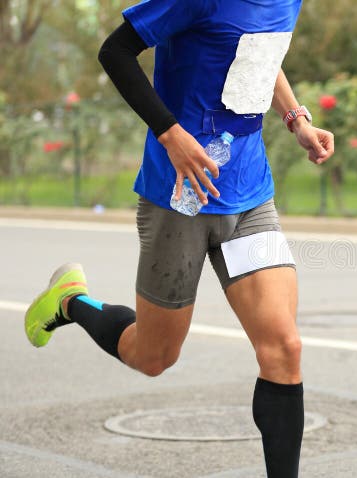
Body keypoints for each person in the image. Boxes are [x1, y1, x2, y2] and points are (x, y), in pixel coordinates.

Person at [23, 1, 333, 476]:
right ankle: (71, 302)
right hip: (179, 198)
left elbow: (260, 53)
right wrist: (170, 134)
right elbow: (115, 51)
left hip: (249, 195)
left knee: (283, 348)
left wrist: (298, 120)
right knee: (152, 357)